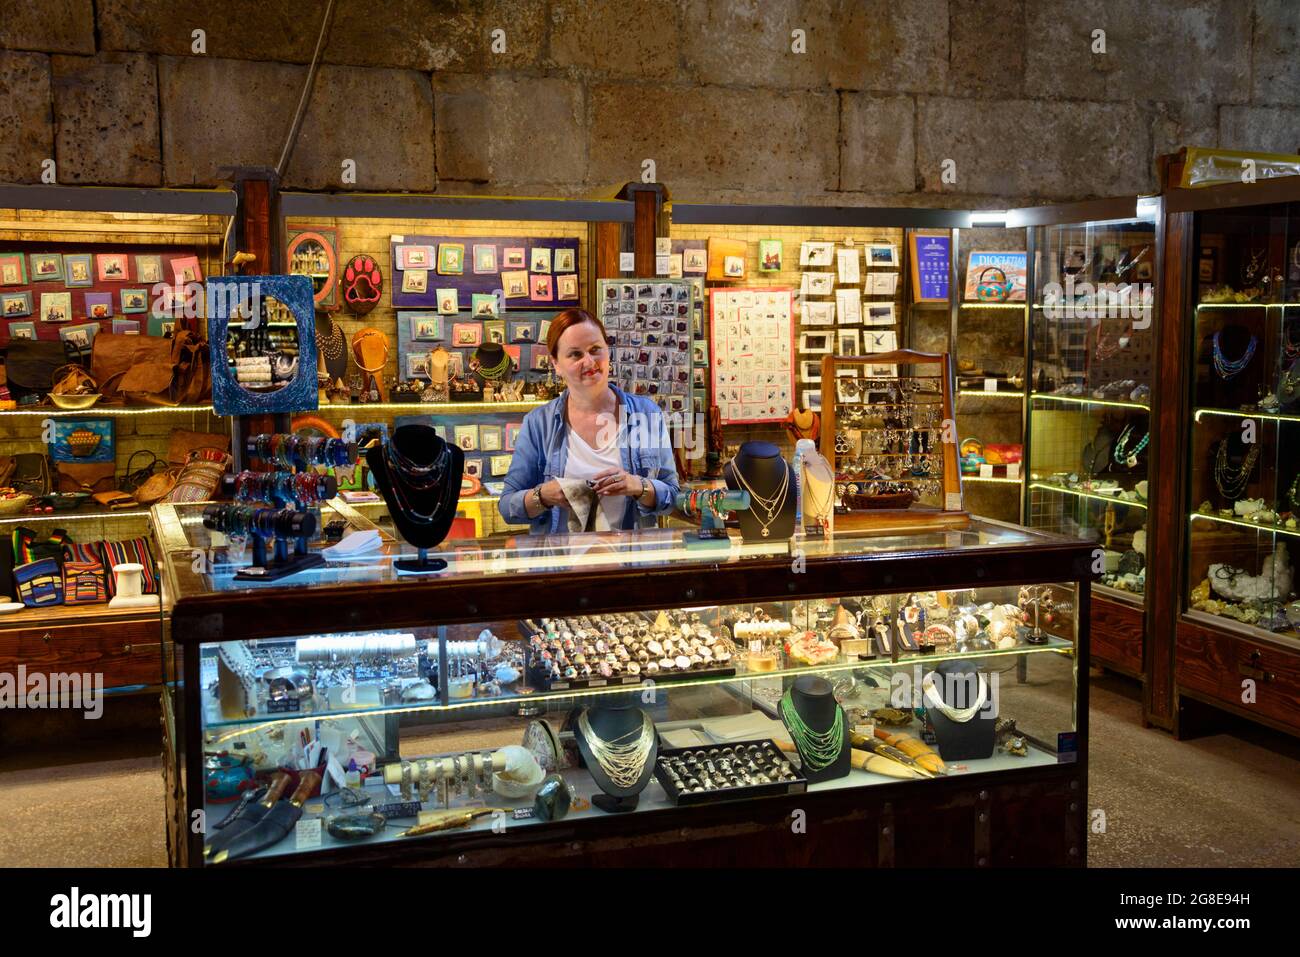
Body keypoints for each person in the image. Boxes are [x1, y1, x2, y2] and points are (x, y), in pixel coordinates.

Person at [499, 308, 680, 534]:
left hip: (631, 564)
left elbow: (673, 496)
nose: (589, 361)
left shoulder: (646, 414)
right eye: (575, 354)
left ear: (608, 351)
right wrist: (543, 496)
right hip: (563, 565)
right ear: (556, 363)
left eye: (596, 350)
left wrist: (639, 486)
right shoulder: (538, 423)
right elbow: (507, 507)